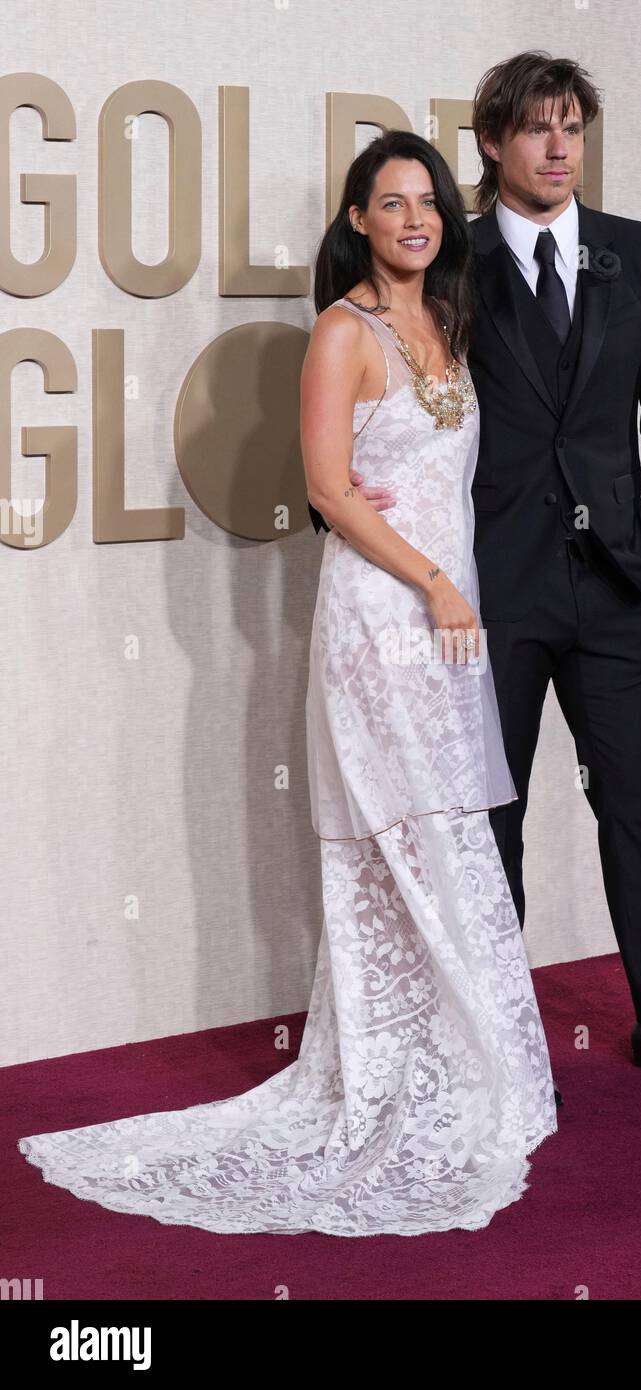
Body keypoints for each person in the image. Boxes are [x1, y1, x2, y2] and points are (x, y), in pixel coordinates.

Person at [17, 129, 557, 1237]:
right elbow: (327, 490)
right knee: (400, 846)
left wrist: (454, 590)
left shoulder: (445, 319)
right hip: (384, 620)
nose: (414, 218)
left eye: (427, 201)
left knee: (450, 834)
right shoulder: (340, 332)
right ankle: (396, 1077)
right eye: (390, 202)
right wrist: (432, 584)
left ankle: (459, 1068)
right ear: (356, 218)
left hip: (446, 622)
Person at [311, 50, 641, 1098]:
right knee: (488, 824)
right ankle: (492, 1045)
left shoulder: (639, 255)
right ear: (491, 143)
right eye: (536, 128)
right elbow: (372, 358)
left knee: (637, 814)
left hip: (619, 592)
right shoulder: (449, 257)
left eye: (572, 128)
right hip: (490, 595)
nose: (559, 148)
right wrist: (341, 484)